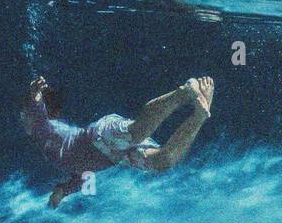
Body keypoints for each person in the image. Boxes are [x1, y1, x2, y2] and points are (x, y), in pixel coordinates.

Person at [21, 75, 214, 208]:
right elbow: (82, 176)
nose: (23, 120)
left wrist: (34, 96)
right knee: (164, 161)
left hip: (99, 136)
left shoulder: (44, 131)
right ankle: (200, 116)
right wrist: (63, 191)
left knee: (136, 132)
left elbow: (38, 117)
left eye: (24, 117)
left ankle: (185, 92)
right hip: (115, 156)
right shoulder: (51, 146)